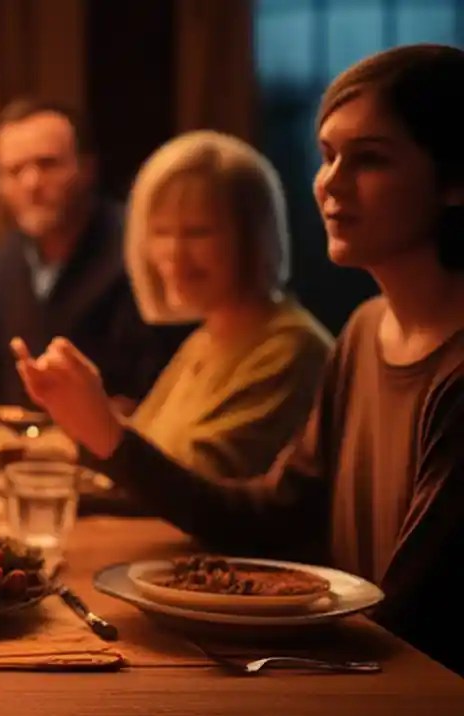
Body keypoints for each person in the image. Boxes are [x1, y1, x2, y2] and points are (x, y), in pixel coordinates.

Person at [15, 45, 464, 673]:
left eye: (370, 159)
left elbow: (416, 619)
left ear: (453, 178)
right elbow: (271, 517)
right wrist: (106, 435)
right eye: (328, 156)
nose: (330, 183)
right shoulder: (365, 332)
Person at [55, 130, 331, 481]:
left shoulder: (290, 350)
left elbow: (195, 489)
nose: (174, 254)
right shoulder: (207, 338)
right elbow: (141, 450)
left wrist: (97, 425)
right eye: (161, 232)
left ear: (253, 236)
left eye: (199, 232)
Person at [0, 99, 187, 408]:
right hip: (19, 450)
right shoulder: (8, 257)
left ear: (87, 168)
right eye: (14, 171)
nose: (31, 183)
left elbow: (158, 393)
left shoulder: (140, 250)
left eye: (47, 164)